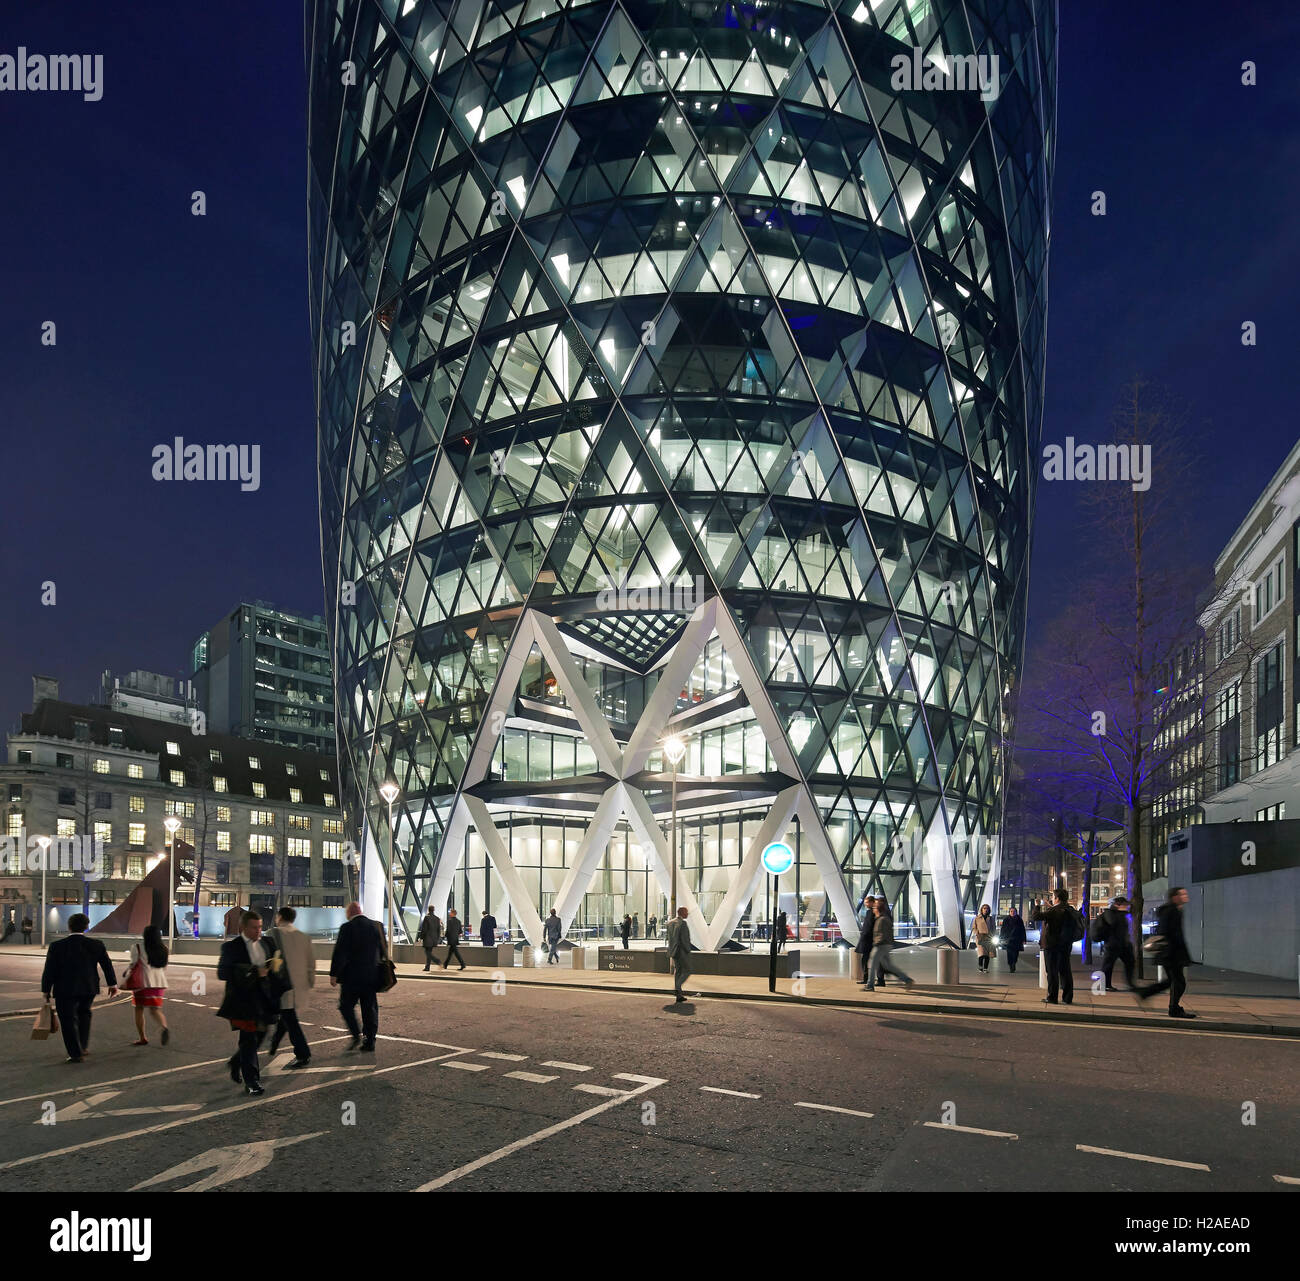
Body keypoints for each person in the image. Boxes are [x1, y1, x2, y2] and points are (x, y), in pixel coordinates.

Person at [217, 910, 284, 1095]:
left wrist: (275, 968)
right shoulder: (232, 948)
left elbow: (278, 964)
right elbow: (222, 973)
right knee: (248, 1039)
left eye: (261, 927)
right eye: (254, 928)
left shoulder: (268, 943)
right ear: (243, 927)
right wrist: (252, 971)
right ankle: (252, 1081)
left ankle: (236, 1061)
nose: (258, 931)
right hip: (244, 1000)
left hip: (265, 998)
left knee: (261, 1035)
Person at [40, 912, 118, 1063]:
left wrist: (46, 990)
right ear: (87, 927)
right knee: (84, 1014)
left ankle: (75, 1053)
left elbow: (49, 970)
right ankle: (83, 1046)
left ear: (69, 927)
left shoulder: (57, 946)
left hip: (65, 989)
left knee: (68, 1020)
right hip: (89, 987)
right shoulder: (96, 945)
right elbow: (107, 965)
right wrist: (112, 984)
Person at [330, 901, 385, 1050]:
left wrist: (333, 974)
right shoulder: (375, 926)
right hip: (371, 976)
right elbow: (381, 950)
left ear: (350, 913)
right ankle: (370, 1040)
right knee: (369, 1009)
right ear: (360, 911)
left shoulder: (347, 928)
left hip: (351, 978)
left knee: (345, 1006)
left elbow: (339, 952)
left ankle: (355, 1034)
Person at [266, 907, 315, 1067]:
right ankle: (274, 1043)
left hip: (282, 984)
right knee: (287, 1015)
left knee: (289, 1019)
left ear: (279, 917)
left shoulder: (272, 934)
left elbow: (268, 959)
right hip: (299, 986)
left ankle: (303, 1053)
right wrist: (310, 981)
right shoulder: (304, 936)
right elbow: (311, 963)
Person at [1138, 887, 1195, 1018]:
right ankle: (1173, 1009)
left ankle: (1146, 993)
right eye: (1183, 894)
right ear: (1175, 897)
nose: (1186, 895)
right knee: (1179, 982)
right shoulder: (1171, 910)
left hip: (1171, 953)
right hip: (1171, 953)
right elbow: (1165, 931)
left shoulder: (1176, 910)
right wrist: (1173, 948)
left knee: (1172, 981)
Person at [1031, 891, 1084, 1005]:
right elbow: (1058, 914)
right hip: (1065, 945)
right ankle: (1067, 997)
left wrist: (1037, 905)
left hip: (1051, 945)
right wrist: (1050, 907)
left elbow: (1036, 916)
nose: (1052, 899)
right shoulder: (1069, 909)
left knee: (1052, 971)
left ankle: (1052, 997)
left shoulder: (1053, 911)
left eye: (1053, 897)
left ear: (1057, 898)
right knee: (1065, 971)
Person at [128, 924, 170, 1047]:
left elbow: (133, 964)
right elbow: (164, 967)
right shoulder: (164, 949)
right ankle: (164, 1026)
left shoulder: (137, 947)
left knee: (139, 1009)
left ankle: (142, 1038)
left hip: (142, 983)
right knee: (155, 1010)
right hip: (159, 983)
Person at [864, 898, 915, 991]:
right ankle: (907, 979)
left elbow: (884, 934)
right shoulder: (880, 918)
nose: (873, 909)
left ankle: (869, 985)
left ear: (877, 909)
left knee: (872, 964)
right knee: (888, 966)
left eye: (875, 907)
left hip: (881, 945)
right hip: (884, 945)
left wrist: (877, 943)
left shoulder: (883, 919)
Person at [1093, 896, 1136, 992]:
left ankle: (1130, 983)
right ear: (1117, 904)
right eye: (1124, 905)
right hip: (1112, 944)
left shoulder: (1122, 914)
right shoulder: (1110, 913)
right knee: (1108, 965)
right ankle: (1105, 985)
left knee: (1130, 962)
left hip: (1123, 944)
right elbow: (1113, 923)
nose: (1127, 907)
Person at [665, 906, 693, 1003]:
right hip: (681, 951)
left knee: (678, 971)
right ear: (682, 913)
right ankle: (677, 988)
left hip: (673, 951)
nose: (687, 914)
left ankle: (679, 995)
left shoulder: (670, 923)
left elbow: (668, 938)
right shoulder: (683, 923)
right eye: (686, 912)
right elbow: (684, 939)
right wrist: (688, 950)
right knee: (688, 970)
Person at [855, 896, 884, 987]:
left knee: (870, 960)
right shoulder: (871, 912)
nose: (865, 904)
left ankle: (872, 979)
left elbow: (869, 927)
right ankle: (876, 979)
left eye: (867, 902)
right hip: (870, 940)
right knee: (874, 960)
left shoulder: (873, 912)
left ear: (872, 902)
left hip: (870, 940)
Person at [999, 907, 1026, 972]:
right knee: (1009, 953)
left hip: (1017, 939)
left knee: (1016, 953)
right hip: (1008, 939)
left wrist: (1024, 939)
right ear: (1009, 912)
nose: (1012, 912)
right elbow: (1003, 929)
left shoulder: (1019, 919)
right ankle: (1011, 965)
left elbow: (1022, 929)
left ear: (1016, 912)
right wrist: (1001, 937)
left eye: (1014, 911)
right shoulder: (1006, 919)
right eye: (1011, 911)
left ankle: (1014, 962)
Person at [972, 904, 996, 973]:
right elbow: (974, 927)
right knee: (981, 953)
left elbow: (993, 927)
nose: (986, 910)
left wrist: (993, 935)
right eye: (984, 908)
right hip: (980, 937)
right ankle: (980, 967)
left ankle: (985, 968)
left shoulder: (991, 918)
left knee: (987, 954)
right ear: (981, 910)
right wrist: (977, 933)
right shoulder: (977, 918)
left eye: (987, 908)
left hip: (988, 938)